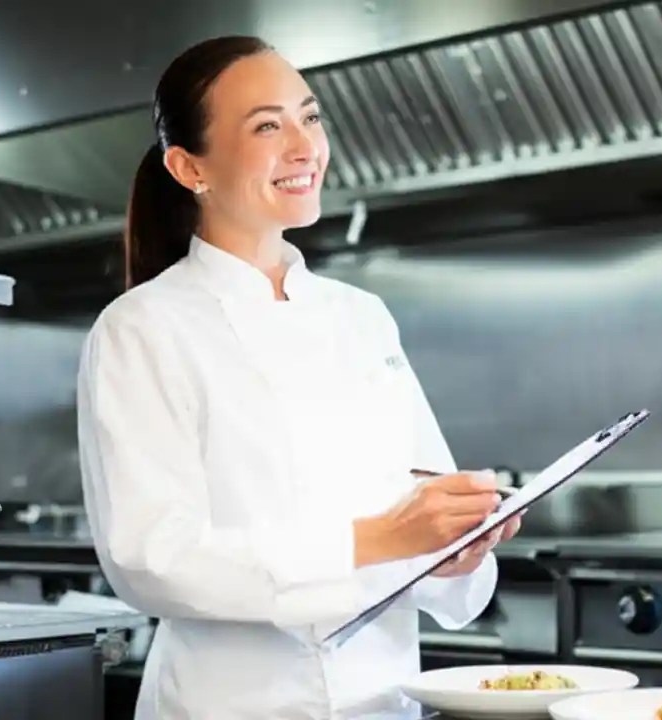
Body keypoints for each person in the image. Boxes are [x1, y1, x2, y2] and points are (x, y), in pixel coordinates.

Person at [76, 36, 519, 719]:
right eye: (265, 126)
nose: (305, 145)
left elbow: (420, 498)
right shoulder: (142, 329)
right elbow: (152, 557)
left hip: (383, 700)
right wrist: (383, 538)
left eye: (309, 117)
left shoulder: (362, 317)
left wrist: (453, 545)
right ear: (189, 166)